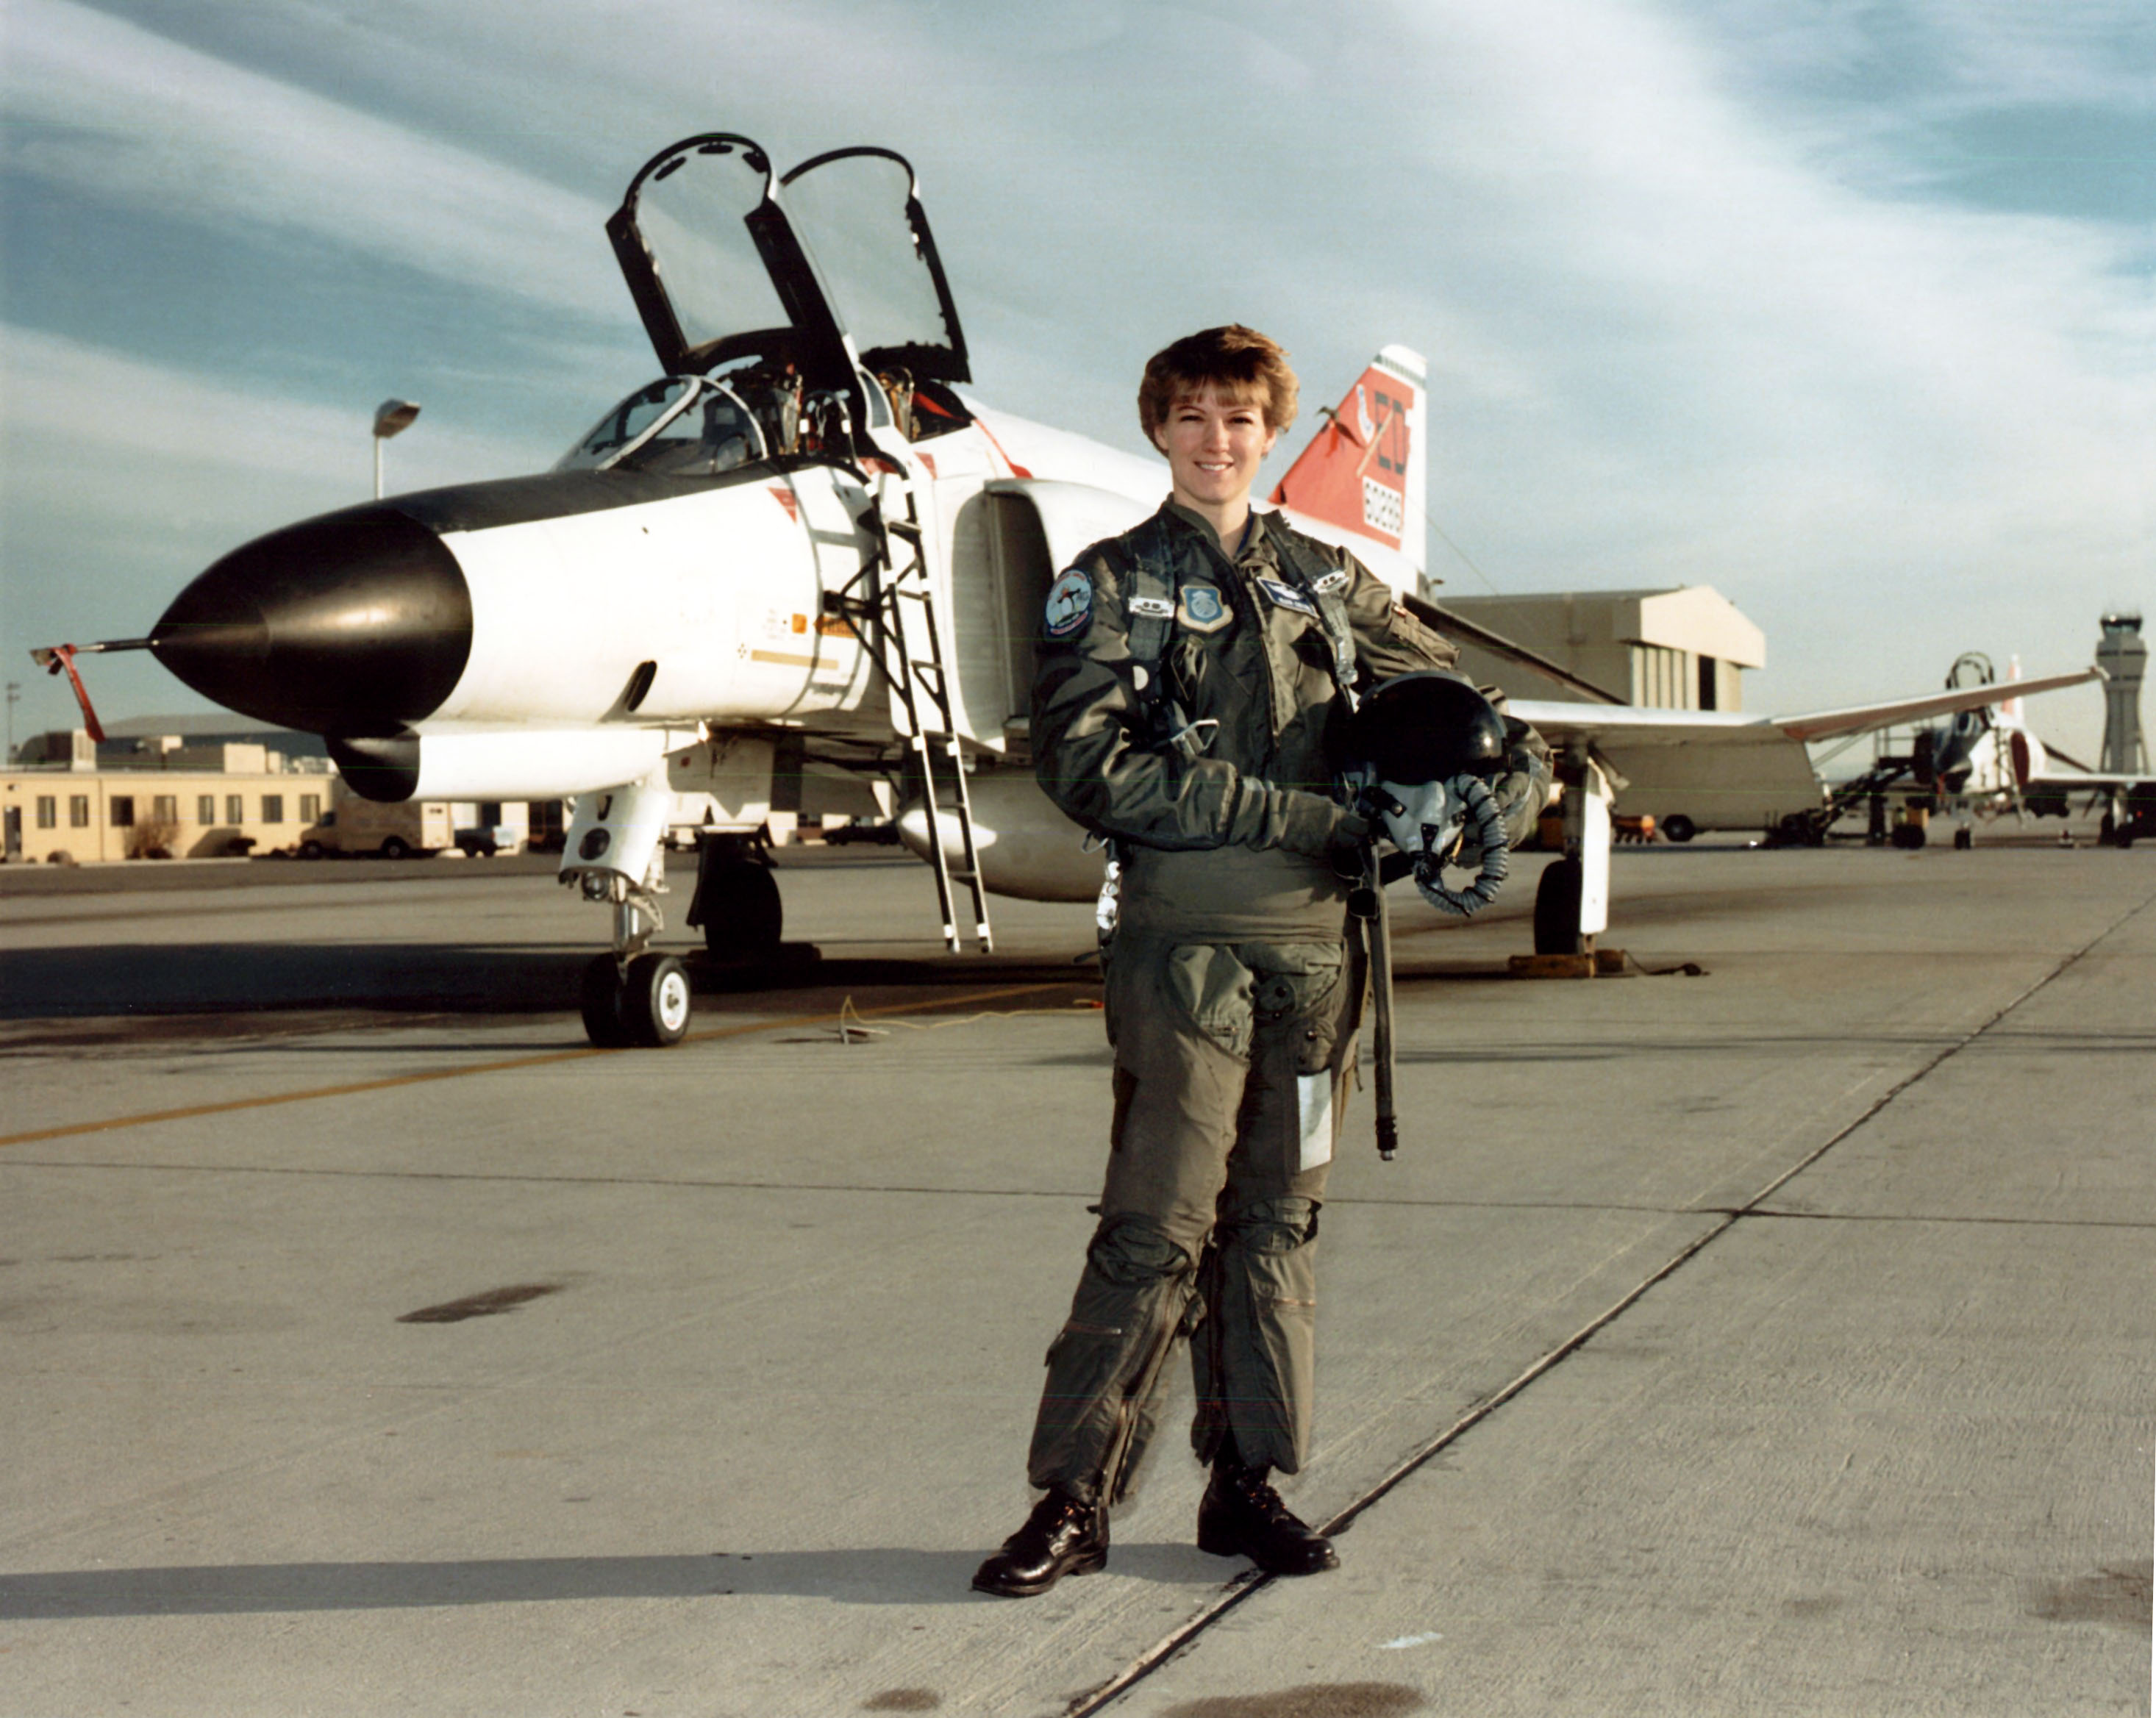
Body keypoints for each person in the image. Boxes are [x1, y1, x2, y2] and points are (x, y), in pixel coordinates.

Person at [971, 326, 1546, 1598]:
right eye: (1190, 416)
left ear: (1267, 433)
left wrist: (1494, 797)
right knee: (1155, 1224)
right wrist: (1303, 819)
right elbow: (1087, 764)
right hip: (1188, 957)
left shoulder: (1328, 584)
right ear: (1157, 429)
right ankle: (1073, 1496)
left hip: (1316, 971)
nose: (1215, 439)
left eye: (1238, 419)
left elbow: (1469, 715)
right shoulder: (1110, 584)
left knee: (1278, 1223)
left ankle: (1247, 1486)